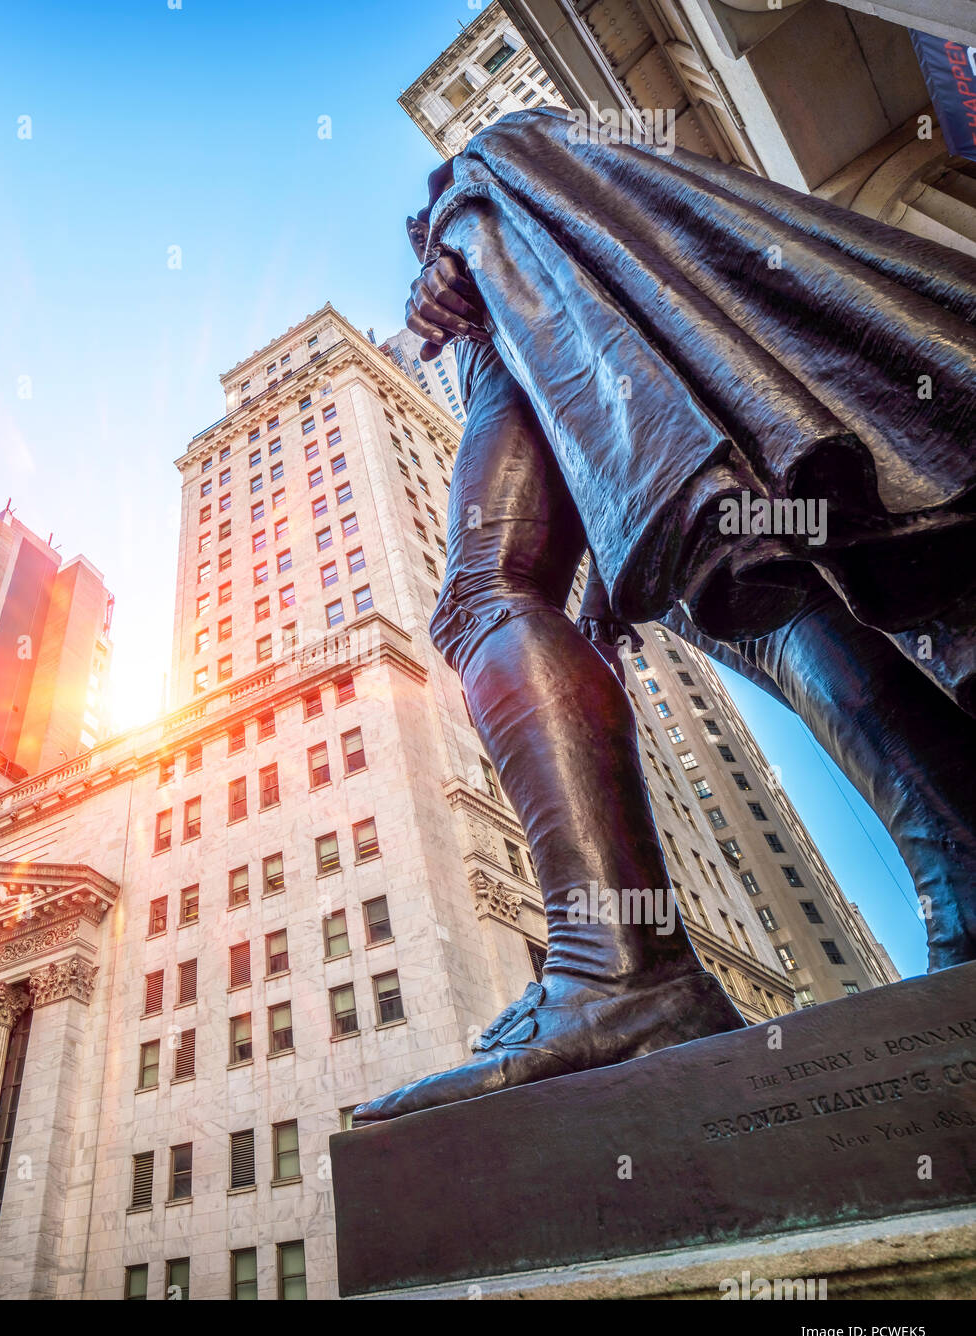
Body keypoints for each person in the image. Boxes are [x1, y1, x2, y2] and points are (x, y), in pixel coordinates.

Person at [352, 110, 976, 1126]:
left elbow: (499, 204)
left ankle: (621, 971)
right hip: (664, 406)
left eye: (426, 245)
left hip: (606, 369)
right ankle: (957, 867)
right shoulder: (565, 233)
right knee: (775, 588)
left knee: (488, 592)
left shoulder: (494, 190)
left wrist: (461, 241)